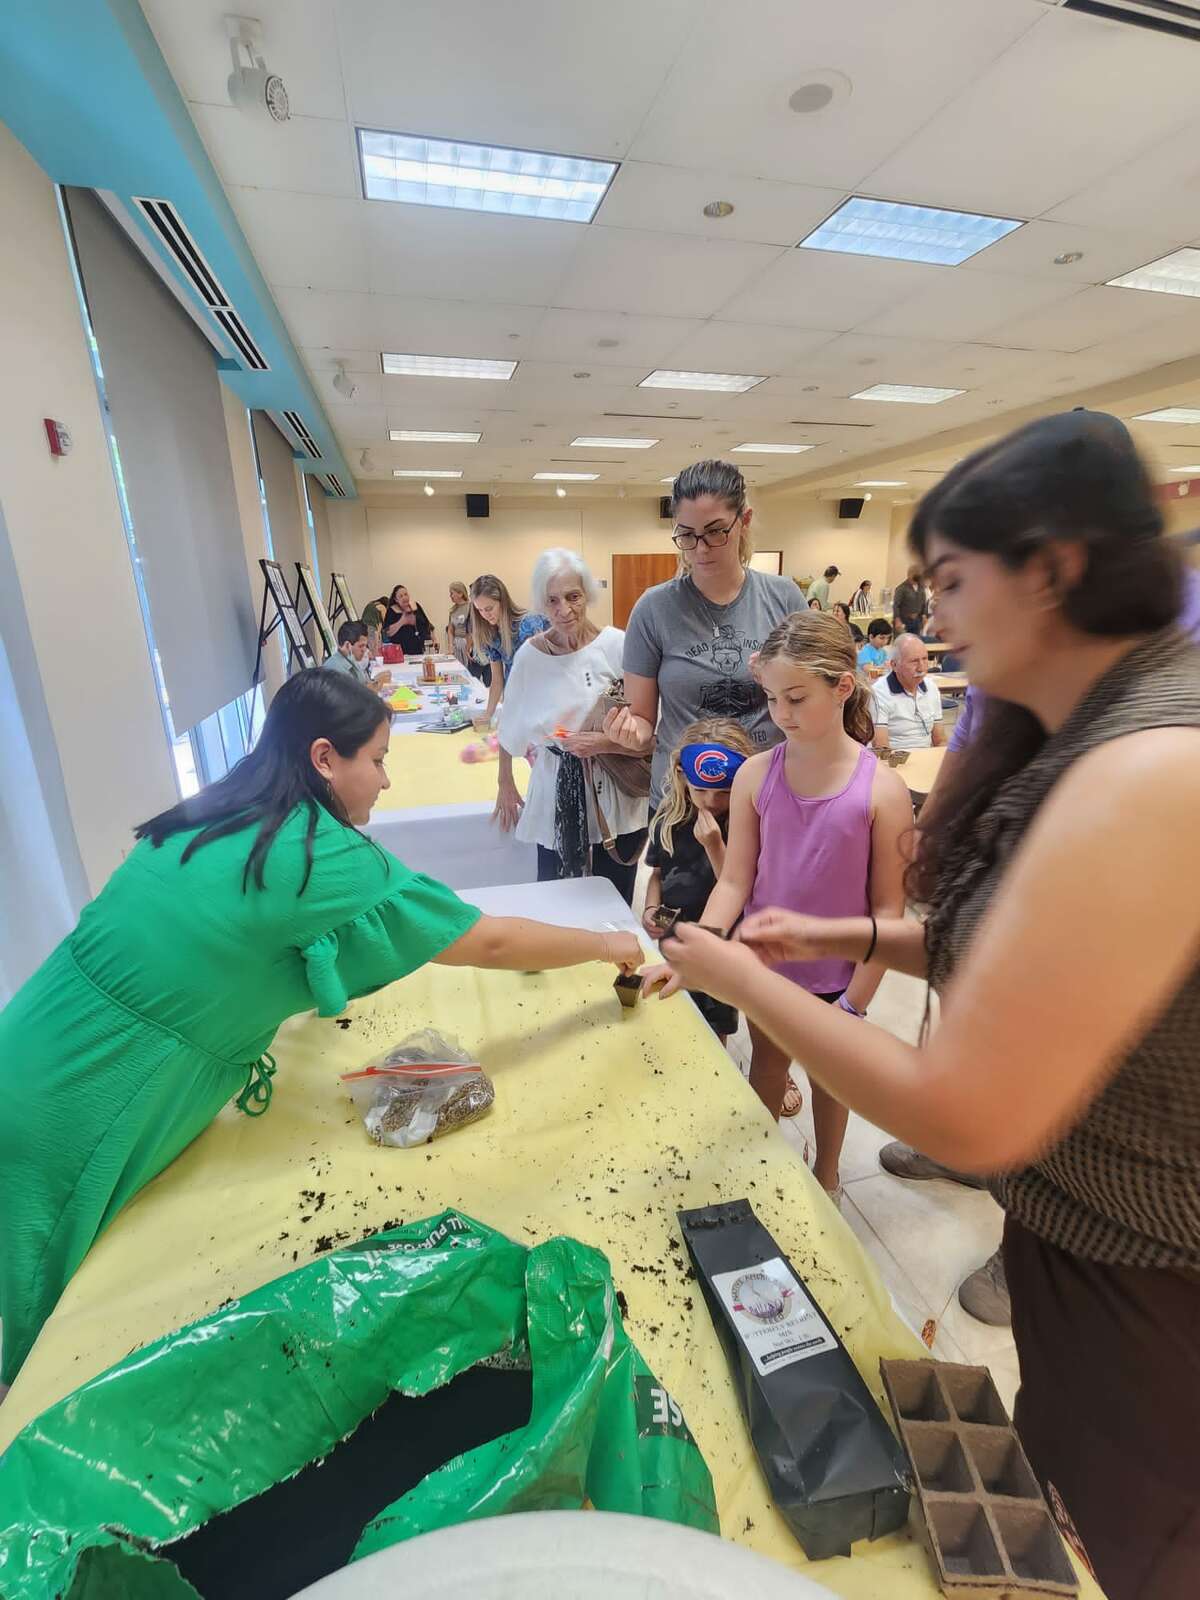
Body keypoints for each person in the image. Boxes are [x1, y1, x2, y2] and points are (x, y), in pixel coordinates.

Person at [651, 409, 1200, 1600]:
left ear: (1051, 573)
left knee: (1144, 1534)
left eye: (951, 582)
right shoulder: (1093, 729)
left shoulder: (1151, 764)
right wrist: (850, 932)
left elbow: (967, 1116)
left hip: (1154, 1281)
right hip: (1096, 1248)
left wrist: (745, 977)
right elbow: (1005, 943)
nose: (933, 622)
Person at [0, 670, 641, 1391]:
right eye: (377, 760)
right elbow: (484, 941)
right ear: (325, 757)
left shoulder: (215, 808)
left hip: (32, 1037)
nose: (387, 782)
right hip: (97, 1091)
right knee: (41, 1301)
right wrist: (607, 944)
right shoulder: (316, 855)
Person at [881, 556, 1200, 1330]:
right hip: (1020, 825)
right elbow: (983, 729)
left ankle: (1032, 1214)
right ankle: (987, 1155)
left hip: (1100, 850)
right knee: (975, 992)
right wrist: (935, 839)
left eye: (957, 583)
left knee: (1069, 1049)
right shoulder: (1015, 642)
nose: (934, 623)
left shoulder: (1154, 669)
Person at [647, 612, 909, 1197]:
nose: (780, 715)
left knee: (831, 1084)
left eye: (796, 698)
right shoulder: (755, 777)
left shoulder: (881, 790)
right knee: (766, 1067)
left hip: (839, 980)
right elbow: (736, 881)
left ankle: (827, 1175)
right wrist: (696, 948)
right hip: (767, 970)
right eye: (771, 698)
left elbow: (888, 915)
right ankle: (763, 1177)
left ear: (843, 686)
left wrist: (854, 1004)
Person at [607, 460, 805, 807]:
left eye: (715, 532)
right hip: (683, 802)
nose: (700, 549)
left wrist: (779, 679)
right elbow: (642, 726)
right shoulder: (654, 609)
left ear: (744, 522)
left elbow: (809, 701)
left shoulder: (784, 598)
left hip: (767, 796)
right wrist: (627, 732)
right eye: (687, 534)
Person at [493, 551, 648, 905]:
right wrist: (505, 780)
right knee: (556, 891)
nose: (563, 609)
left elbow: (649, 724)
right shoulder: (530, 656)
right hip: (554, 788)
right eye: (552, 600)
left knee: (613, 892)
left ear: (587, 595)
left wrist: (602, 743)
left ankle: (615, 953)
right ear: (541, 604)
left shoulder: (617, 645)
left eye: (573, 597)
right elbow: (511, 723)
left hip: (614, 787)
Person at [642, 718, 756, 1044]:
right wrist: (651, 908)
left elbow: (737, 888)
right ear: (682, 776)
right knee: (672, 1006)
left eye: (723, 792)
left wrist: (715, 845)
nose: (710, 801)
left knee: (714, 1021)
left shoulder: (747, 823)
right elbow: (657, 873)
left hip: (721, 941)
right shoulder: (669, 816)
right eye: (700, 789)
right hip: (675, 931)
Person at [469, 574, 549, 721]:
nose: (485, 615)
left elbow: (542, 673)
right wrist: (488, 714)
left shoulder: (529, 623)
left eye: (489, 608)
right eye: (480, 610)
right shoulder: (491, 634)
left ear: (503, 602)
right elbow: (497, 679)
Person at [871, 632, 945, 750]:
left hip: (926, 759)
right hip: (895, 761)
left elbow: (940, 740)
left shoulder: (931, 688)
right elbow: (881, 748)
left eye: (925, 659)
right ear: (894, 665)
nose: (921, 668)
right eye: (914, 661)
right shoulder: (879, 692)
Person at [323, 620, 392, 696]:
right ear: (347, 645)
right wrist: (377, 683)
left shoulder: (351, 660)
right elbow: (355, 698)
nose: (364, 650)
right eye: (361, 646)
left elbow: (363, 685)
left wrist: (375, 680)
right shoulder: (335, 669)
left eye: (365, 646)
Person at [382, 584, 433, 656]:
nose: (404, 597)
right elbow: (387, 633)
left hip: (420, 649)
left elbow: (427, 624)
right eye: (401, 596)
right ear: (396, 600)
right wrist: (402, 621)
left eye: (406, 594)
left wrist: (434, 638)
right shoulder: (392, 610)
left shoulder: (416, 606)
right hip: (401, 652)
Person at [892, 563, 927, 636]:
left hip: (917, 621)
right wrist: (897, 620)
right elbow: (896, 605)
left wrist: (924, 615)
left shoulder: (921, 588)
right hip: (904, 620)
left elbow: (924, 603)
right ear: (909, 574)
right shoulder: (901, 588)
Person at [446, 581, 473, 670]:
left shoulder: (470, 607)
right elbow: (450, 629)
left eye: (452, 593)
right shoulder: (453, 610)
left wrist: (468, 647)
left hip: (467, 644)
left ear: (460, 593)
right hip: (456, 644)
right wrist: (450, 646)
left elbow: (471, 630)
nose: (450, 596)